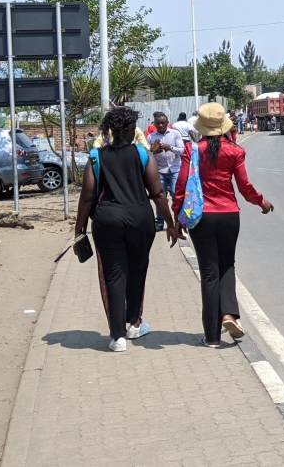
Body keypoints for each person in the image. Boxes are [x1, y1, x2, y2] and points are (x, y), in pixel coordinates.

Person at [74, 106, 182, 352]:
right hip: (140, 219)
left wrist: (78, 229)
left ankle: (117, 337)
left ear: (110, 131)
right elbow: (157, 192)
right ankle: (134, 323)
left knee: (113, 274)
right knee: (137, 270)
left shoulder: (96, 157)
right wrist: (170, 224)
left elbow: (88, 195)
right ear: (132, 130)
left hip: (107, 221)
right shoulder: (143, 154)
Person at [173, 103, 273, 349]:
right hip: (229, 215)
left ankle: (212, 336)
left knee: (209, 273)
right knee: (228, 265)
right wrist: (262, 202)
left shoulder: (192, 150)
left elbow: (181, 186)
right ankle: (229, 314)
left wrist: (177, 217)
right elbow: (244, 187)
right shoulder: (235, 151)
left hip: (201, 217)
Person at [147, 111, 185, 232]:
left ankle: (178, 221)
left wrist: (171, 148)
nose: (161, 126)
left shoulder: (175, 134)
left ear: (167, 123)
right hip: (159, 170)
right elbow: (147, 154)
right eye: (158, 124)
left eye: (163, 123)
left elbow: (182, 150)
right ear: (155, 124)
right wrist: (154, 151)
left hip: (174, 169)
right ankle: (160, 222)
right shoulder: (151, 137)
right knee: (160, 197)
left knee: (176, 194)